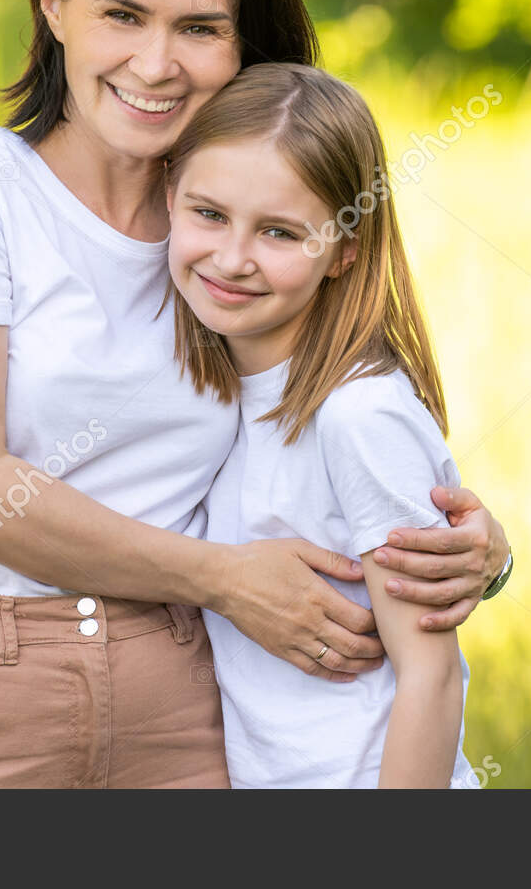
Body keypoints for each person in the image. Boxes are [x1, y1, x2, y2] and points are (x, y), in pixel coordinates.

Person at [0, 0, 511, 789]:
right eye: (122, 13)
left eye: (199, 27)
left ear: (244, 46)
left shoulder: (232, 245)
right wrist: (225, 579)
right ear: (52, 1)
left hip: (188, 710)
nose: (156, 62)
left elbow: (338, 434)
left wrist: (471, 552)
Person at [165, 62, 479, 787]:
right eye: (209, 214)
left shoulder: (359, 411)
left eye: (279, 231)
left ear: (344, 249)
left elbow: (432, 677)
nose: (232, 258)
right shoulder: (211, 384)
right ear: (170, 195)